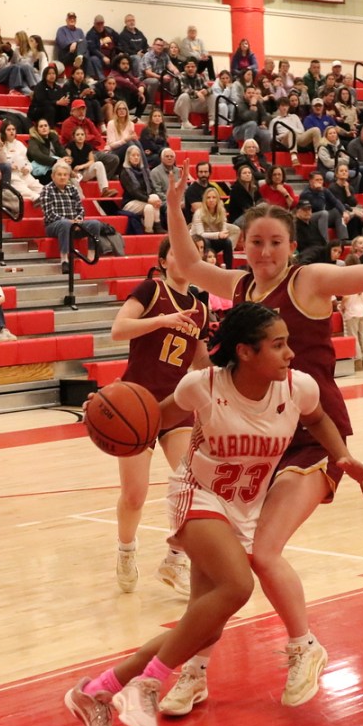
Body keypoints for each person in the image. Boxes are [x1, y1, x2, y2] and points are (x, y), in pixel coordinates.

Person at [162, 167, 363, 708]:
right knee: (211, 571)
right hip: (252, 438)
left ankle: (304, 645)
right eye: (255, 242)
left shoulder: (308, 281)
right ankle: (195, 671)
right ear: (242, 244)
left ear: (291, 247)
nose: (264, 251)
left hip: (311, 433)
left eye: (275, 243)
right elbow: (192, 264)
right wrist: (176, 208)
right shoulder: (242, 285)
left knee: (263, 554)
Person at [67, 302, 363, 726]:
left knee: (203, 626)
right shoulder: (203, 385)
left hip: (242, 508)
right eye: (279, 345)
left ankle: (96, 692)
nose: (290, 353)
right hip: (197, 494)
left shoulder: (299, 388)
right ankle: (148, 686)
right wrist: (105, 409)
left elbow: (319, 419)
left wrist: (341, 455)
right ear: (246, 352)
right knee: (237, 586)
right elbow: (151, 418)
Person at [105, 238, 213, 595]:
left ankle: (175, 560)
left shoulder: (200, 307)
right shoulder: (152, 289)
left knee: (192, 484)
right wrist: (162, 320)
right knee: (134, 495)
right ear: (164, 261)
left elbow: (200, 362)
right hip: (136, 404)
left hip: (176, 405)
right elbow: (118, 329)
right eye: (178, 254)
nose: (185, 259)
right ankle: (126, 550)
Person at [42, 162, 108, 274]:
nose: (62, 177)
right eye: (59, 174)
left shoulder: (72, 189)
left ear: (68, 176)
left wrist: (78, 220)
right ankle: (64, 260)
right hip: (54, 226)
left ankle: (91, 254)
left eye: (65, 174)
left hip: (74, 224)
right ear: (53, 176)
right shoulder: (47, 190)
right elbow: (50, 214)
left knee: (95, 223)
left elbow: (80, 209)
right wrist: (69, 222)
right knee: (64, 224)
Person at [190, 186, 237, 269]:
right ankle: (207, 269)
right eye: (208, 198)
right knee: (206, 241)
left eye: (214, 197)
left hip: (212, 240)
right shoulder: (199, 213)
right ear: (205, 200)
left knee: (227, 242)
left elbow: (224, 230)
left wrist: (223, 234)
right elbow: (200, 234)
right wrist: (218, 235)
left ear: (217, 200)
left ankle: (229, 270)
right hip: (197, 242)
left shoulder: (221, 211)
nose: (211, 200)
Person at [118, 145, 158, 236]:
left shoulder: (144, 170)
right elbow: (133, 192)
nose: (136, 157)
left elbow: (152, 187)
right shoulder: (125, 172)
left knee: (152, 201)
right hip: (130, 202)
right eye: (133, 155)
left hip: (144, 200)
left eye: (138, 155)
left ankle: (149, 231)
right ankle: (154, 227)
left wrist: (154, 197)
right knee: (150, 205)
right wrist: (148, 200)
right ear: (128, 157)